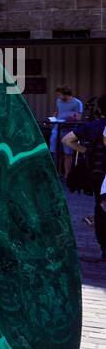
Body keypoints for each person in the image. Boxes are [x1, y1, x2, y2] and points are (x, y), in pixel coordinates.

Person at [64, 110, 106, 260]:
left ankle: (104, 247)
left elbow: (67, 140)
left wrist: (87, 151)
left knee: (100, 208)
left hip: (97, 171)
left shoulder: (92, 126)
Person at [50, 87, 84, 173]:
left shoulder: (77, 103)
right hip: (57, 128)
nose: (58, 97)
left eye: (59, 95)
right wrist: (54, 116)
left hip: (69, 130)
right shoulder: (58, 101)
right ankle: (57, 173)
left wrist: (70, 117)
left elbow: (79, 117)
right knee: (55, 152)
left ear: (66, 94)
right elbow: (57, 112)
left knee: (67, 153)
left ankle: (67, 175)